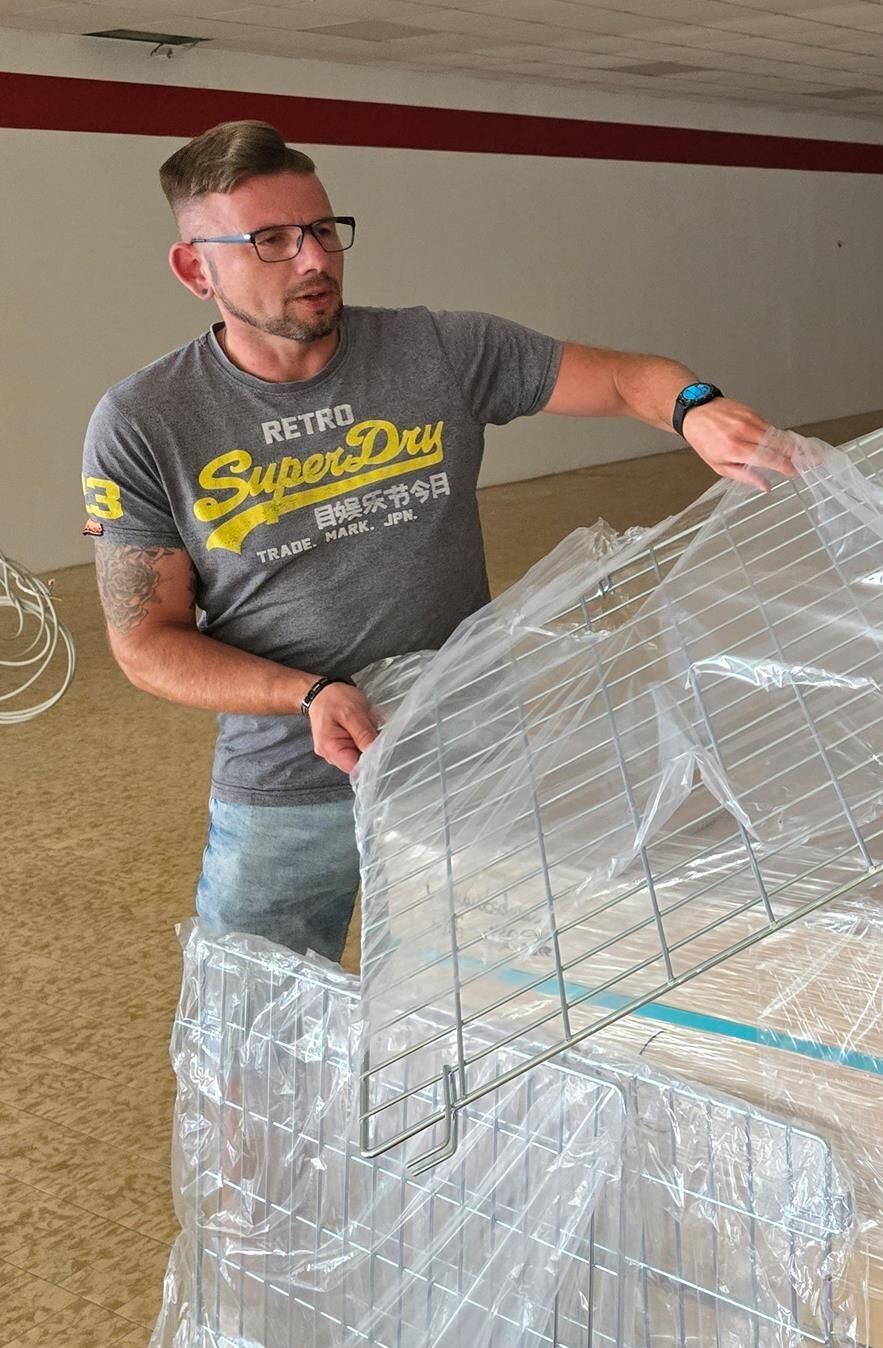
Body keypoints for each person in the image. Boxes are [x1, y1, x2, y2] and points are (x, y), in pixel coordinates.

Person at [85, 119, 788, 963]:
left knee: (483, 995)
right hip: (286, 787)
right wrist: (308, 695)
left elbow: (622, 376)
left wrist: (695, 408)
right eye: (270, 240)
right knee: (252, 1015)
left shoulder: (438, 351)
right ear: (196, 268)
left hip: (468, 761)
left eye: (322, 229)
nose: (313, 260)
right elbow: (145, 642)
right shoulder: (145, 420)